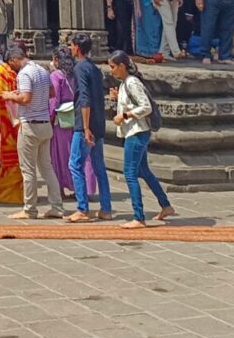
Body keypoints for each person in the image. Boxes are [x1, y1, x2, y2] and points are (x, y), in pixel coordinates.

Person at [108, 50, 174, 228]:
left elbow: (145, 107)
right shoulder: (124, 84)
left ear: (122, 66)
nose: (111, 70)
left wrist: (125, 115)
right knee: (143, 170)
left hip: (136, 132)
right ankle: (165, 205)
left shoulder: (132, 82)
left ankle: (139, 216)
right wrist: (116, 100)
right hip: (135, 131)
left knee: (130, 173)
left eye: (113, 67)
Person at [4, 39, 64, 219]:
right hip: (45, 123)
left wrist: (10, 96)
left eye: (11, 64)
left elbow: (26, 98)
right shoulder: (43, 70)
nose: (11, 68)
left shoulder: (24, 74)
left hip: (30, 124)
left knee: (28, 170)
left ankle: (29, 208)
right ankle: (57, 206)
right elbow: (52, 94)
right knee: (47, 168)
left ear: (15, 59)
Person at [64, 34, 114, 222]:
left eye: (71, 45)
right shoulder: (94, 68)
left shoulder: (80, 68)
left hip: (85, 124)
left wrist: (85, 127)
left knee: (75, 164)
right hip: (99, 122)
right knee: (99, 166)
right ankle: (106, 208)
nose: (70, 49)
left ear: (77, 48)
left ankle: (82, 208)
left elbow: (84, 98)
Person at [49, 47, 97, 200]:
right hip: (77, 117)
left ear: (57, 60)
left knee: (60, 156)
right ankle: (84, 188)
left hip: (61, 121)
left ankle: (61, 189)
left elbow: (54, 99)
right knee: (80, 156)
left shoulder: (56, 76)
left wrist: (50, 116)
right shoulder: (77, 73)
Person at [0, 43, 25, 205]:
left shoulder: (13, 73)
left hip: (12, 122)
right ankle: (9, 192)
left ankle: (11, 193)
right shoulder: (0, 73)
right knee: (8, 156)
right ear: (11, 60)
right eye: (19, 60)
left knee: (11, 156)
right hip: (9, 122)